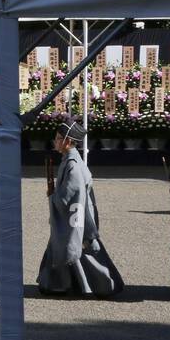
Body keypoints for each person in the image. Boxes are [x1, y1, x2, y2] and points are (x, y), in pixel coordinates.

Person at [36, 119, 124, 298]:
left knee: (77, 249)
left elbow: (70, 197)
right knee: (67, 248)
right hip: (75, 215)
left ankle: (104, 285)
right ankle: (56, 285)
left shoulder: (73, 166)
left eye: (59, 138)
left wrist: (53, 197)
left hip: (76, 216)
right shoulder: (70, 160)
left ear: (68, 141)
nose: (55, 142)